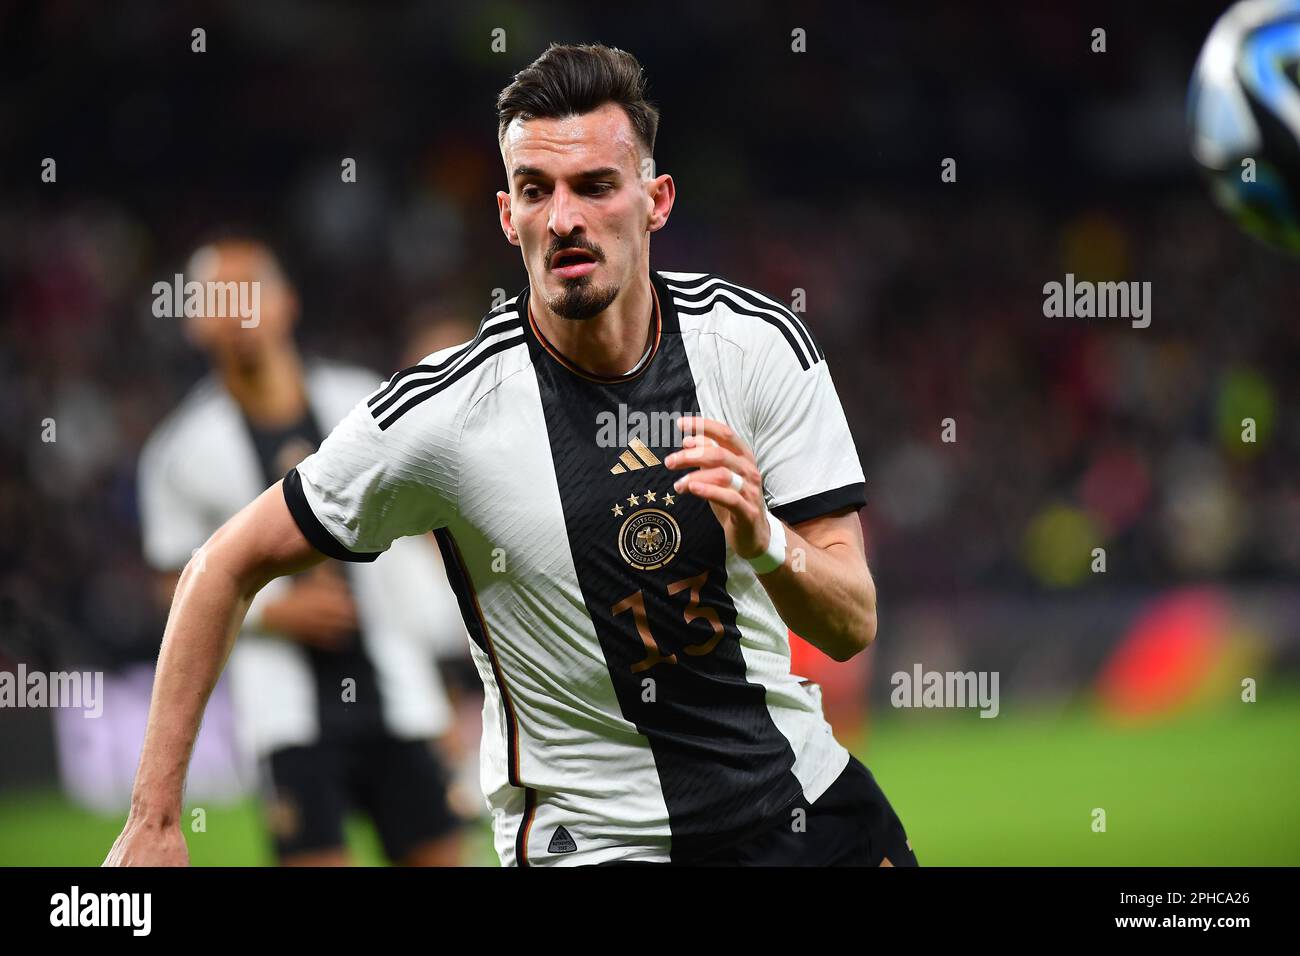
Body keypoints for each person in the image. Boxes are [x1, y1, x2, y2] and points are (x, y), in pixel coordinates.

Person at [107, 43, 916, 867]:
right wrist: (155, 816)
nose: (563, 217)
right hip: (598, 847)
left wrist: (766, 539)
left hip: (801, 804)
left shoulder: (757, 346)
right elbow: (221, 564)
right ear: (507, 215)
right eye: (536, 189)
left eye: (595, 185)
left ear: (656, 200)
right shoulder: (442, 415)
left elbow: (851, 622)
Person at [134, 238, 464, 866]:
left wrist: (445, 683)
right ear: (194, 320)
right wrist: (271, 612)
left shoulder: (364, 400)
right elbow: (171, 583)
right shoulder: (179, 452)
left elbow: (426, 542)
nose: (238, 311)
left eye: (251, 291)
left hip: (402, 692)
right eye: (218, 298)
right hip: (285, 716)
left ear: (287, 301)